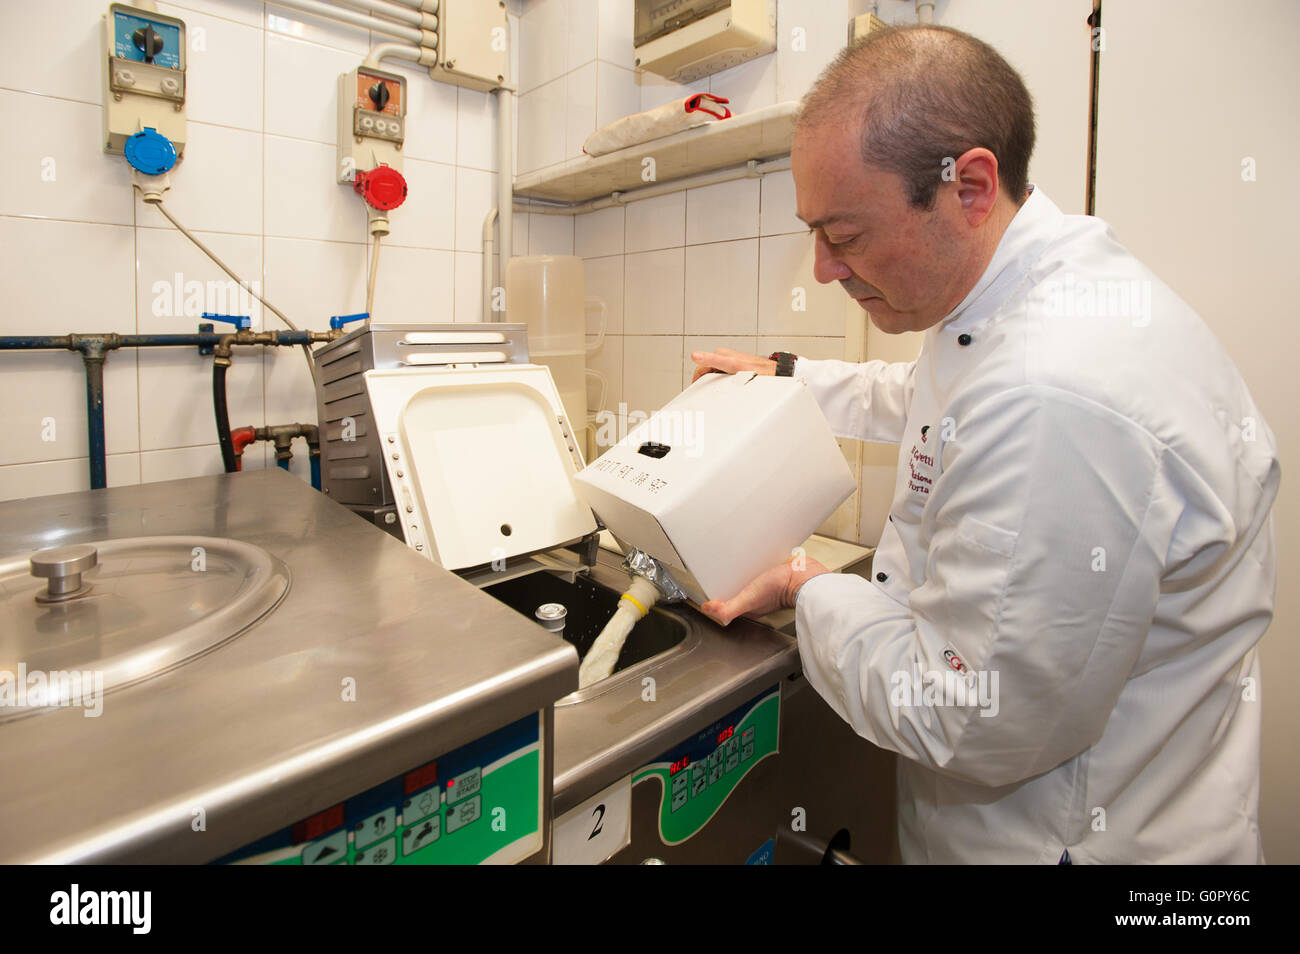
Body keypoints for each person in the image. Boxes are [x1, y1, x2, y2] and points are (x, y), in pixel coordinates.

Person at [690, 24, 1278, 864]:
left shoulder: (1058, 392)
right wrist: (788, 374)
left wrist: (804, 585)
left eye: (845, 236)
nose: (822, 268)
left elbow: (962, 714)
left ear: (969, 186)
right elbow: (932, 399)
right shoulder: (1022, 302)